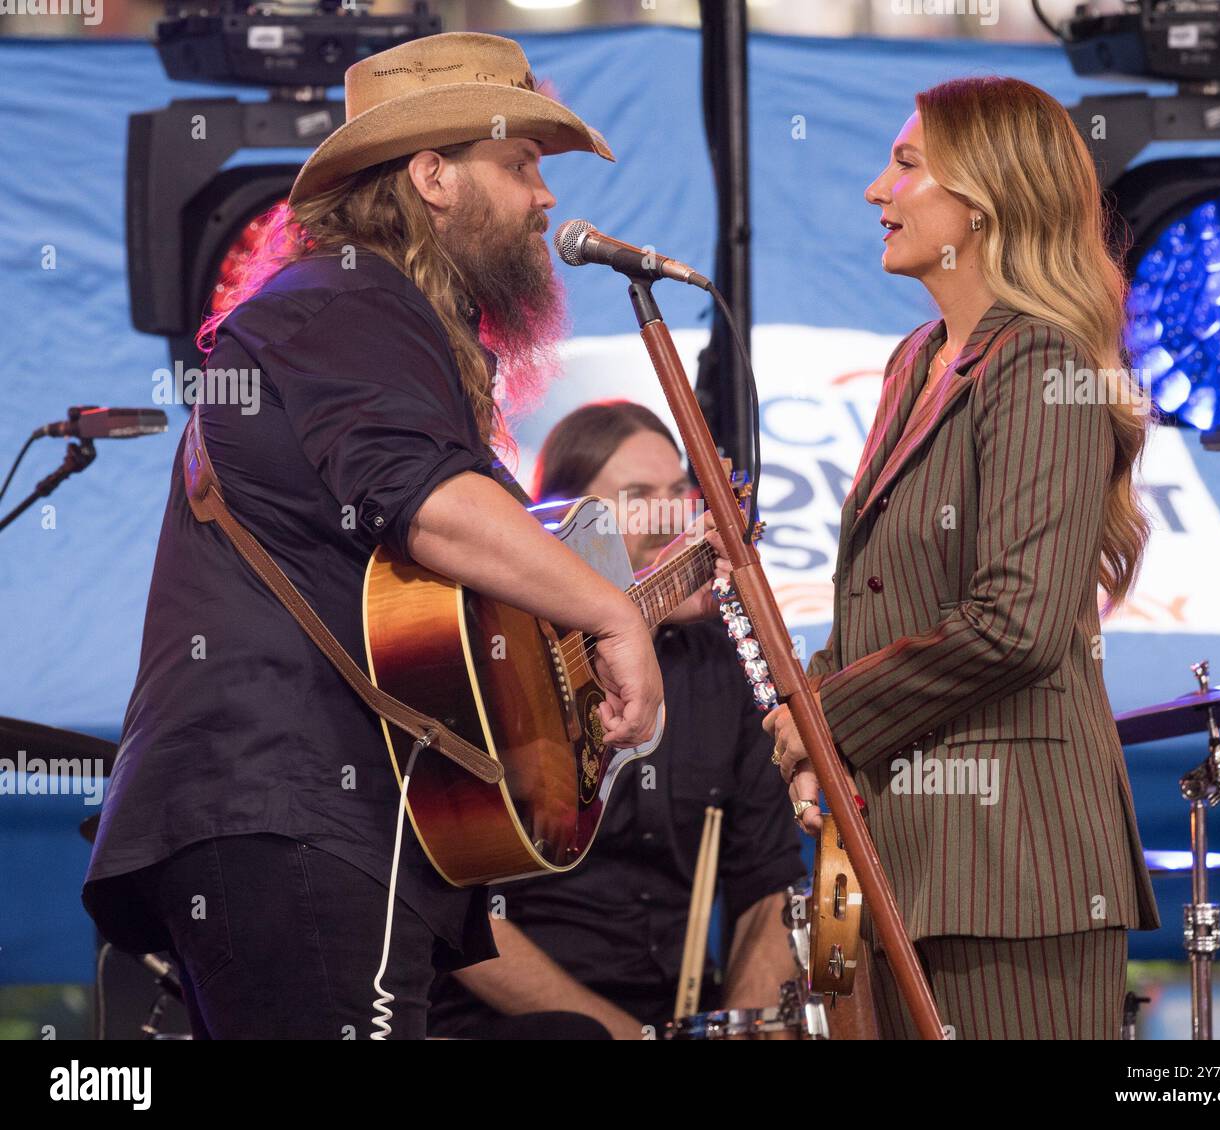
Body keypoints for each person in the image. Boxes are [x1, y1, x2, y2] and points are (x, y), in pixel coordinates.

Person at [81, 32, 712, 1040]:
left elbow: (469, 564)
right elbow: (429, 500)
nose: (545, 198)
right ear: (432, 176)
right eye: (519, 165)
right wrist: (608, 613)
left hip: (332, 826)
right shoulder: (345, 301)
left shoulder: (374, 322)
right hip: (292, 810)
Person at [766, 76, 1161, 1040]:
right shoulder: (915, 361)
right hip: (901, 859)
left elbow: (1014, 625)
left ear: (981, 203)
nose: (875, 192)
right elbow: (882, 603)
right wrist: (806, 709)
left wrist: (828, 718)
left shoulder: (1045, 364)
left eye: (905, 166)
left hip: (1013, 867)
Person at [427, 402, 807, 1040]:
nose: (667, 521)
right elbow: (453, 897)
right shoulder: (495, 658)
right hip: (515, 1025)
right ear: (571, 527)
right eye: (637, 499)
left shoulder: (727, 667)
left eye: (677, 496)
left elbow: (769, 885)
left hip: (680, 1011)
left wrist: (743, 1028)